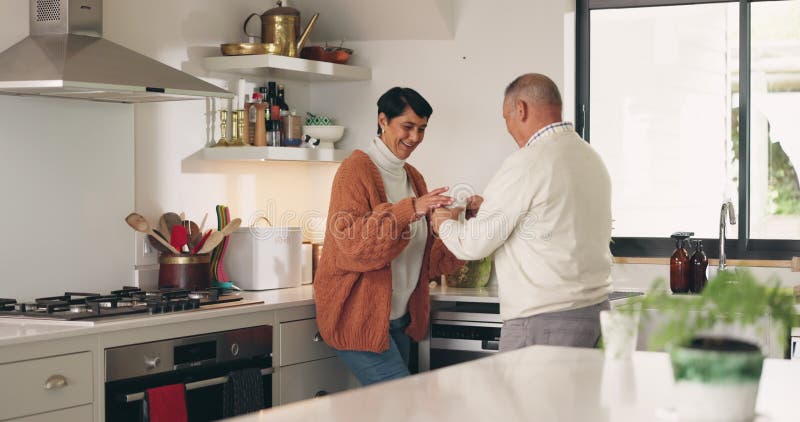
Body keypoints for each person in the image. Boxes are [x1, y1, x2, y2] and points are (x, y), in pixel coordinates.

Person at [431, 73, 613, 352]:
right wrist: (489, 209)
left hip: (544, 321)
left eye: (507, 118)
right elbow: (554, 216)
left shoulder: (528, 162)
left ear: (521, 109)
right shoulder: (589, 156)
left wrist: (444, 222)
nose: (508, 129)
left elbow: (473, 245)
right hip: (594, 314)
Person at [314, 87, 464, 385]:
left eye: (422, 129)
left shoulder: (413, 177)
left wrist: (461, 220)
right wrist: (411, 210)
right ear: (383, 120)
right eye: (407, 126)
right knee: (403, 403)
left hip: (399, 320)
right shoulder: (355, 170)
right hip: (358, 318)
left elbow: (432, 264)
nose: (415, 137)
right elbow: (353, 247)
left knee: (388, 405)